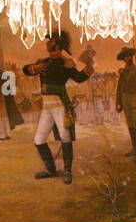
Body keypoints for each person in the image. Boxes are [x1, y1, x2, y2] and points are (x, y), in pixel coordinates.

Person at [22, 30, 91, 184]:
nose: (47, 43)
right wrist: (34, 68)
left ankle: (67, 171)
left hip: (60, 103)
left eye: (51, 41)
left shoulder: (66, 63)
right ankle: (51, 170)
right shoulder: (43, 62)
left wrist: (89, 67)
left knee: (65, 137)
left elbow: (79, 78)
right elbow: (25, 70)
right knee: (39, 139)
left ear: (58, 45)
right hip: (47, 105)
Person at [115, 46, 136, 157]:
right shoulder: (123, 72)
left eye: (128, 56)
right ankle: (135, 147)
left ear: (132, 57)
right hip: (126, 99)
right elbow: (120, 88)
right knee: (131, 124)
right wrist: (118, 102)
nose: (127, 58)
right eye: (125, 57)